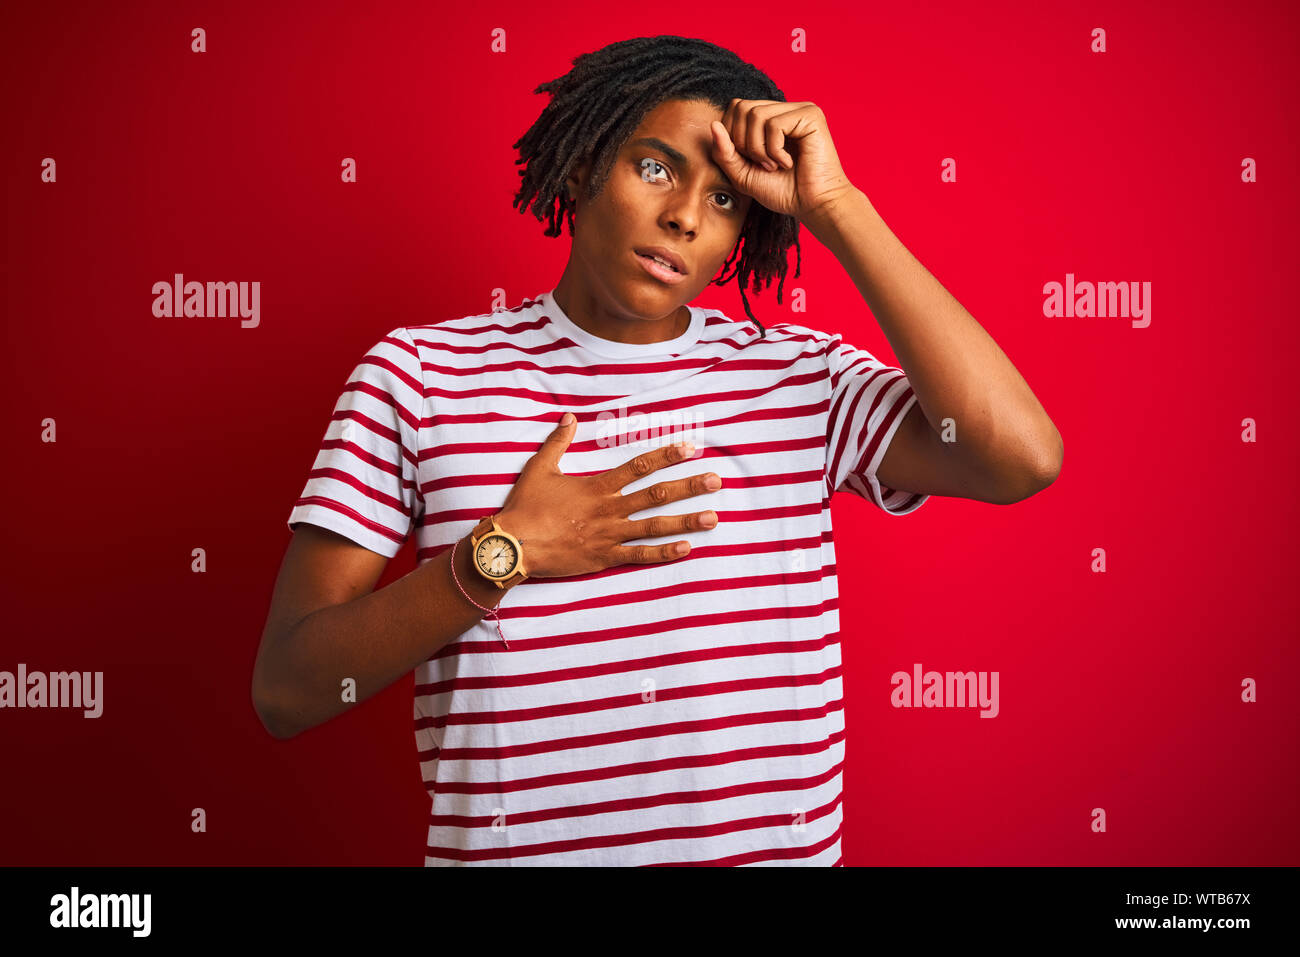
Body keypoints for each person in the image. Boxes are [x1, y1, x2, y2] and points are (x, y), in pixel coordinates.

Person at [252, 35, 1062, 866]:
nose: (684, 215)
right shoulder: (420, 376)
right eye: (655, 168)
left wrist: (836, 207)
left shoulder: (797, 377)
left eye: (724, 200)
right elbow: (288, 688)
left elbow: (1019, 457)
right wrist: (503, 555)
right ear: (579, 166)